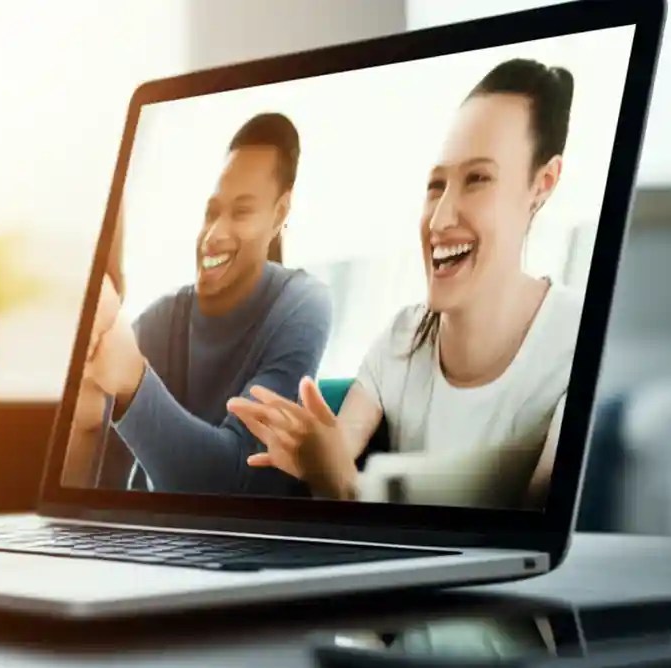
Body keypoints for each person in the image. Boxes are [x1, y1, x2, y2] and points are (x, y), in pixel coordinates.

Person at [229, 59, 582, 508]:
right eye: (437, 185)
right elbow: (336, 467)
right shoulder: (400, 341)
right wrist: (315, 462)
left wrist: (340, 482)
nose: (440, 218)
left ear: (542, 183)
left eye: (477, 179)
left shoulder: (577, 342)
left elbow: (539, 523)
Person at [69, 112, 333, 496]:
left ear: (279, 214)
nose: (214, 235)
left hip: (256, 547)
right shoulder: (158, 323)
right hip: (157, 546)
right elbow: (95, 496)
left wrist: (133, 384)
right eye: (212, 212)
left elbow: (230, 482)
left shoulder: (303, 304)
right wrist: (85, 426)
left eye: (241, 211)